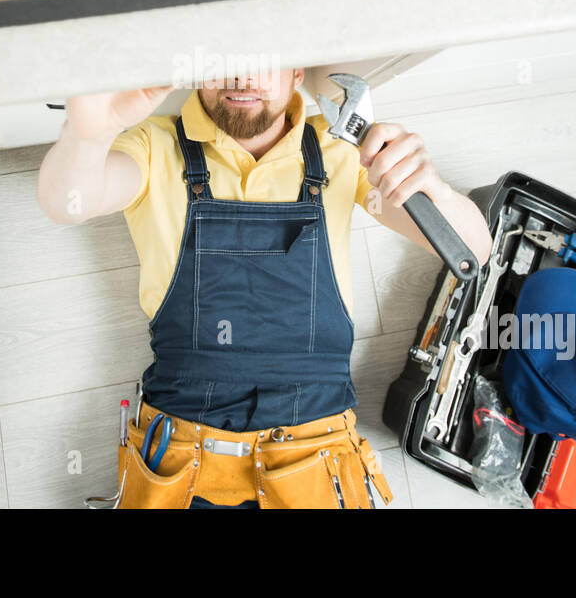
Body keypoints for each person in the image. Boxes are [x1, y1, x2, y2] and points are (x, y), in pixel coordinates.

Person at [37, 67, 493, 508]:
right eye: (224, 61)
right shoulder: (155, 145)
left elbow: (473, 248)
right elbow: (66, 203)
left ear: (297, 71)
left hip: (317, 459)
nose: (243, 76)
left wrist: (430, 187)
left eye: (264, 59)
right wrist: (88, 133)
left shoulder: (340, 150)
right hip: (180, 463)